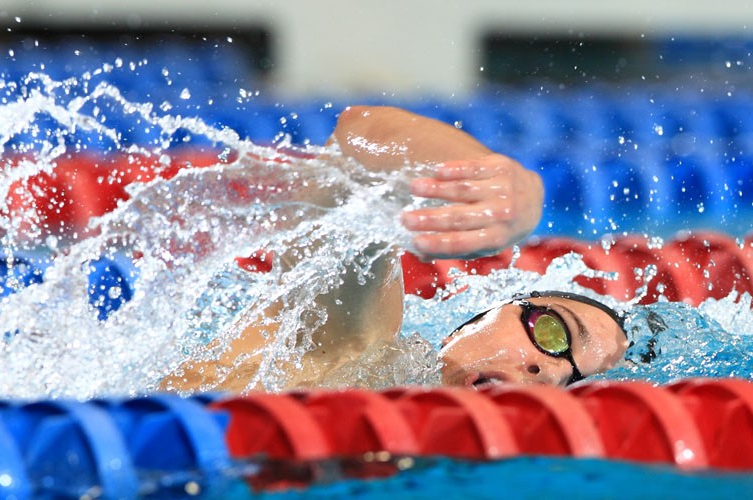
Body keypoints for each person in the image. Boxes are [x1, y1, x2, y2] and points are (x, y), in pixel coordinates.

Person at [161, 105, 630, 392]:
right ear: (476, 320)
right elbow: (356, 147)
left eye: (575, 384)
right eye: (553, 335)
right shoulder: (350, 346)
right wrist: (502, 180)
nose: (545, 374)